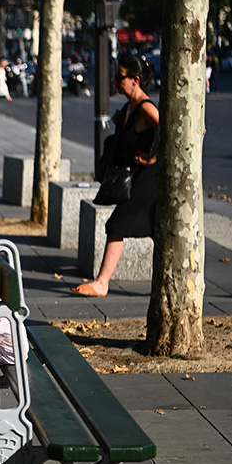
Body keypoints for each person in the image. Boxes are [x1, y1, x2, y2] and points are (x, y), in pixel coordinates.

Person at [74, 54, 159, 298]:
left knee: (117, 224)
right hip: (137, 178)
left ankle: (102, 283)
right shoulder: (130, 108)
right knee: (156, 230)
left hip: (147, 179)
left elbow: (171, 130)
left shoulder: (146, 107)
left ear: (135, 79)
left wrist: (153, 158)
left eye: (119, 77)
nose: (115, 82)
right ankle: (163, 286)